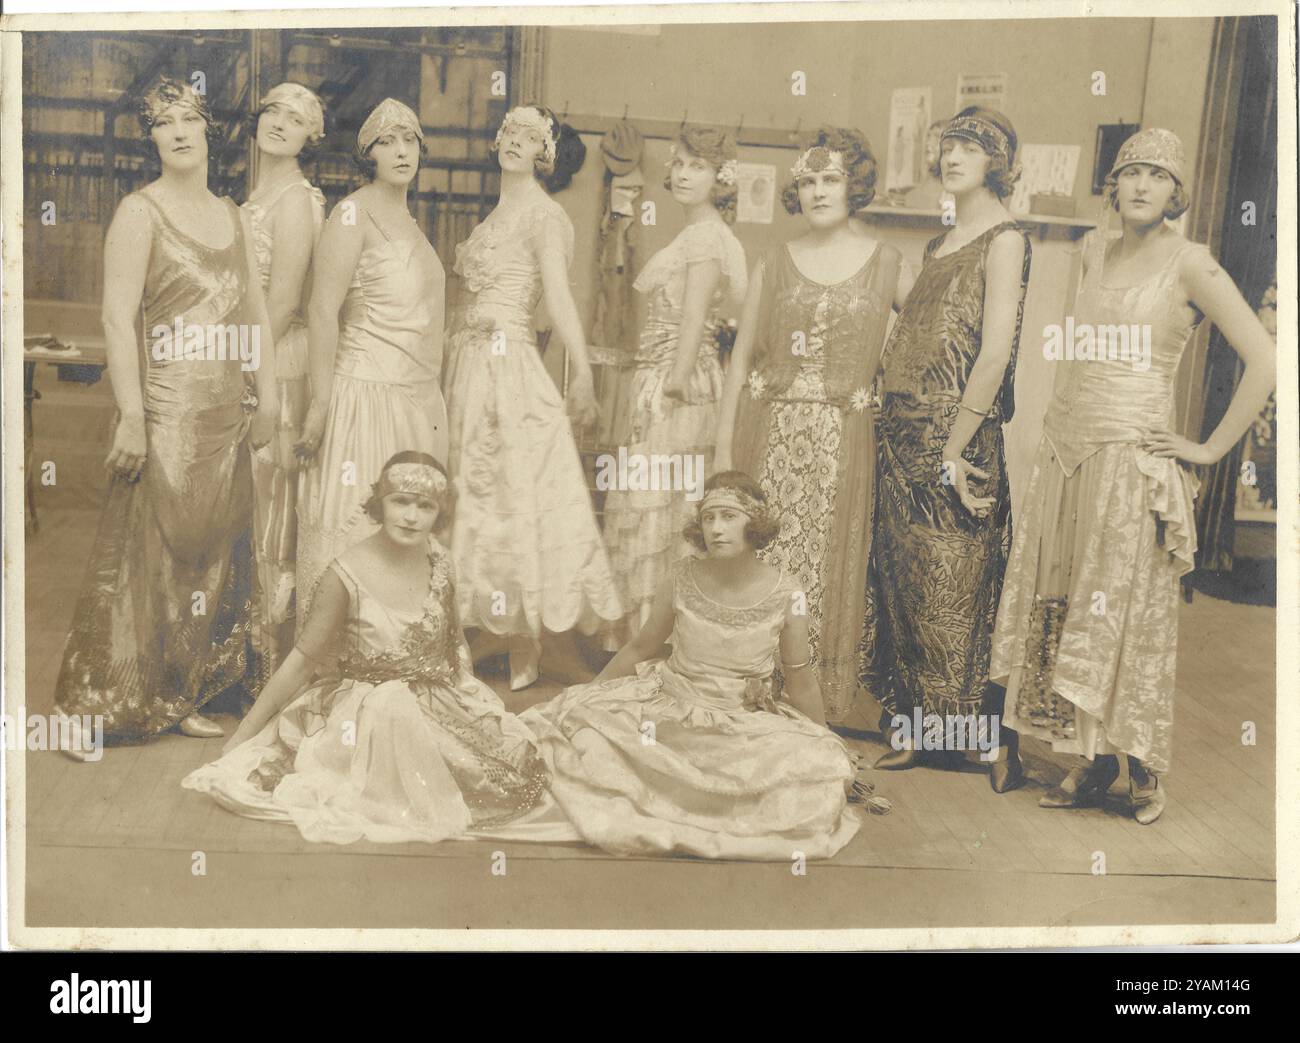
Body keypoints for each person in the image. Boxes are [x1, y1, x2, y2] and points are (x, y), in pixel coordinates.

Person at [989, 128, 1276, 820]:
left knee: (1120, 606)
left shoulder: (1192, 264)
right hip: (1066, 449)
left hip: (1131, 457)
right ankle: (1088, 760)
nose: (1142, 185)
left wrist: (1206, 449)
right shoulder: (1093, 248)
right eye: (1130, 173)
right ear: (1112, 185)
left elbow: (1267, 360)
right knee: (1064, 598)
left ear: (1176, 192)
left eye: (1157, 175)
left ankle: (1143, 770)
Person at [182, 453, 570, 844]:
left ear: (440, 513)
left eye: (425, 506)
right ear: (379, 503)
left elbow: (454, 646)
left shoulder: (441, 562)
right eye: (400, 501)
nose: (411, 517)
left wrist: (474, 705)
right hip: (371, 710)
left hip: (439, 698)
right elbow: (302, 661)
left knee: (508, 770)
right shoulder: (344, 573)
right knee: (407, 760)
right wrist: (245, 735)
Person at [54, 78, 278, 753]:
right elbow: (116, 319)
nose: (177, 131)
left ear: (210, 131)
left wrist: (271, 396)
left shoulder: (234, 215)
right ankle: (118, 696)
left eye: (189, 119)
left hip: (225, 411)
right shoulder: (138, 212)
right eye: (162, 122)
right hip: (167, 405)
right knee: (150, 556)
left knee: (214, 548)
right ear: (150, 137)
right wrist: (131, 413)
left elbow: (256, 314)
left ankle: (191, 688)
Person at [521, 471, 884, 860]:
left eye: (729, 517)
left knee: (817, 768)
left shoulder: (788, 592)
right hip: (670, 710)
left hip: (742, 723)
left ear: (755, 524)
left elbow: (799, 679)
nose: (716, 529)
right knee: (593, 739)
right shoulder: (680, 576)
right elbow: (640, 648)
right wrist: (587, 696)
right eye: (709, 518)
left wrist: (827, 739)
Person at [859, 107, 1032, 772]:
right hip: (902, 433)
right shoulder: (939, 243)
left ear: (997, 161)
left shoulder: (1007, 239)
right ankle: (918, 730)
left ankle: (966, 740)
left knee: (957, 583)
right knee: (906, 584)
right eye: (948, 146)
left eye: (970, 147)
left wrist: (955, 447)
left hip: (958, 438)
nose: (953, 156)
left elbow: (993, 356)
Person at [715, 127, 907, 722]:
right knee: (765, 557)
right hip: (766, 435)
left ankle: (810, 705)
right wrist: (723, 453)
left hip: (843, 443)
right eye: (807, 180)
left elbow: (932, 339)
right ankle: (748, 690)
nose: (819, 190)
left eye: (831, 178)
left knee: (825, 568)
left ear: (854, 185)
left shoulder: (889, 262)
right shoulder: (773, 259)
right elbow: (741, 357)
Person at [443, 104, 622, 691]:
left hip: (508, 362)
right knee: (469, 489)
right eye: (510, 133)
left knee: (513, 489)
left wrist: (582, 374)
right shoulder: (492, 218)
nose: (516, 143)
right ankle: (470, 627)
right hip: (464, 365)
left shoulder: (545, 216)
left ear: (544, 154)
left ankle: (524, 638)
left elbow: (561, 300)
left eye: (530, 137)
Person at [295, 98, 448, 614]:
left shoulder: (410, 221)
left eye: (409, 140)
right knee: (359, 531)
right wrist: (320, 401)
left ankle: (394, 661)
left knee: (405, 535)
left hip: (415, 401)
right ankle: (338, 664)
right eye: (387, 142)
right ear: (367, 156)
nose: (401, 151)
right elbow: (321, 309)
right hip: (363, 398)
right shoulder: (352, 212)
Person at [601, 126, 747, 647]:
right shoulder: (695, 233)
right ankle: (651, 633)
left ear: (719, 178)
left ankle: (657, 636)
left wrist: (675, 381)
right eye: (681, 164)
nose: (684, 174)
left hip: (679, 379)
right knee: (659, 499)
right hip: (664, 373)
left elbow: (693, 318)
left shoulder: (706, 237)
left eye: (699, 167)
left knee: (664, 501)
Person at [242, 82, 327, 675]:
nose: (280, 123)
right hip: (249, 349)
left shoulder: (297, 200)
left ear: (309, 138)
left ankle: (265, 656)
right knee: (246, 500)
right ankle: (236, 649)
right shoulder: (258, 193)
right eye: (273, 111)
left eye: (295, 119)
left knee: (269, 501)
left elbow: (285, 299)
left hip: (276, 359)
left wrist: (236, 361)